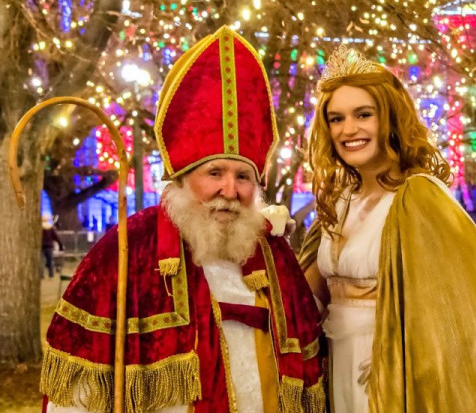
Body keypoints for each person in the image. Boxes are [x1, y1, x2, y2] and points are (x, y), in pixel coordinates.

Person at [41, 27, 326, 413]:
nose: (229, 189)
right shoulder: (129, 248)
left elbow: (311, 368)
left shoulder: (274, 255)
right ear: (182, 178)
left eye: (242, 177)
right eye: (214, 173)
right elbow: (78, 388)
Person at [300, 45, 476, 413]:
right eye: (336, 118)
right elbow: (309, 295)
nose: (348, 129)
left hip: (391, 373)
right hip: (337, 362)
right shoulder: (338, 200)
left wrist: (412, 351)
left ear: (390, 118)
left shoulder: (417, 195)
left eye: (363, 114)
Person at [41, 214, 64, 278]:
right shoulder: (50, 228)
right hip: (49, 246)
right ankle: (51, 274)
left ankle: (41, 275)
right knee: (50, 261)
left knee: (42, 262)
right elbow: (56, 237)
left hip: (42, 246)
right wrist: (60, 245)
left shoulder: (40, 228)